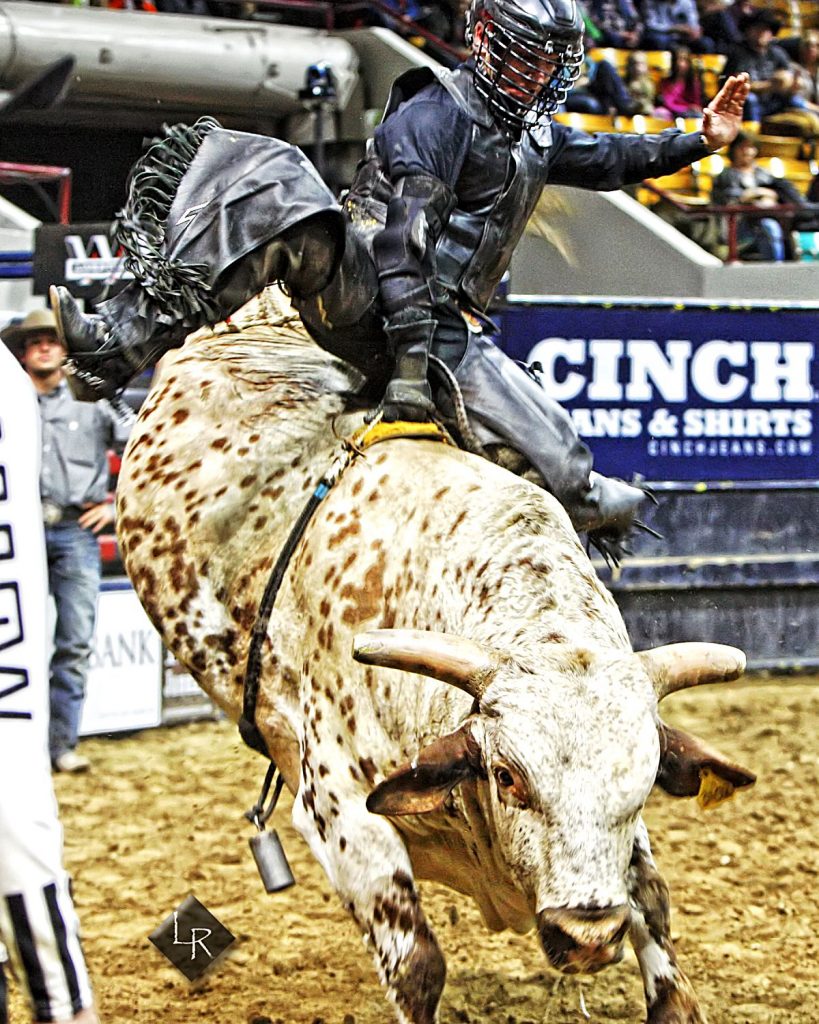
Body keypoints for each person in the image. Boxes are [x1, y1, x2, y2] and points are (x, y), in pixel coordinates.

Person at [49, 0, 749, 559]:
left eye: (552, 63)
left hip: (453, 332)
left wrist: (699, 140)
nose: (539, 76)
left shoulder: (537, 136)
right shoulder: (435, 113)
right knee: (281, 183)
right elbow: (402, 244)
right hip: (370, 295)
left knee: (572, 475)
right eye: (529, 58)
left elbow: (611, 158)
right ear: (488, 41)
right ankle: (114, 344)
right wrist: (411, 369)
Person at [0, 340, 99, 1023]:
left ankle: (62, 743)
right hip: (41, 535)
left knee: (74, 647)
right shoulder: (20, 394)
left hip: (63, 538)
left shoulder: (76, 404)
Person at [0, 309, 134, 774]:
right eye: (34, 340)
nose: (44, 346)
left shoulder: (93, 400)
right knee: (14, 642)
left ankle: (61, 746)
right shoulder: (7, 403)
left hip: (77, 530)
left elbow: (146, 443)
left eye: (51, 339)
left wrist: (115, 503)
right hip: (19, 532)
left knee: (74, 641)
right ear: (23, 351)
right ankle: (20, 749)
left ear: (64, 349)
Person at [710, 130, 805, 261]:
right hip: (737, 226)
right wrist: (760, 194)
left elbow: (781, 192)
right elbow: (734, 200)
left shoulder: (763, 173)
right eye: (743, 147)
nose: (748, 152)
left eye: (751, 147)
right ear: (734, 149)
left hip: (765, 219)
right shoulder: (726, 176)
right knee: (768, 227)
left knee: (774, 225)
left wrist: (761, 194)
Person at [721, 8, 811, 122]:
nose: (761, 33)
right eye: (757, 28)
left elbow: (787, 80)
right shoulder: (738, 52)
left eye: (765, 29)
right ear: (748, 30)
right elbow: (739, 86)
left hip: (769, 102)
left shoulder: (777, 53)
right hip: (742, 104)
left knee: (795, 100)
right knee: (750, 100)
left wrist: (793, 84)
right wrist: (770, 86)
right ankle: (753, 133)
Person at [639, 0, 711, 54]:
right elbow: (650, 25)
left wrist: (695, 32)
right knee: (658, 40)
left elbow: (694, 24)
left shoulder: (687, 2)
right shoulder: (650, 2)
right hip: (664, 35)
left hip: (684, 36)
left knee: (706, 43)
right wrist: (674, 29)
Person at [655, 45, 705, 119]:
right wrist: (684, 108)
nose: (680, 64)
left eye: (684, 60)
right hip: (672, 112)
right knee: (659, 113)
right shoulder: (666, 82)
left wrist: (692, 108)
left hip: (689, 113)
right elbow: (668, 103)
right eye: (678, 60)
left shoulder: (694, 82)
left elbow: (696, 103)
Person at [624, 50, 658, 116]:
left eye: (641, 64)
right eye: (634, 63)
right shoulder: (622, 84)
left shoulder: (649, 84)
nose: (637, 68)